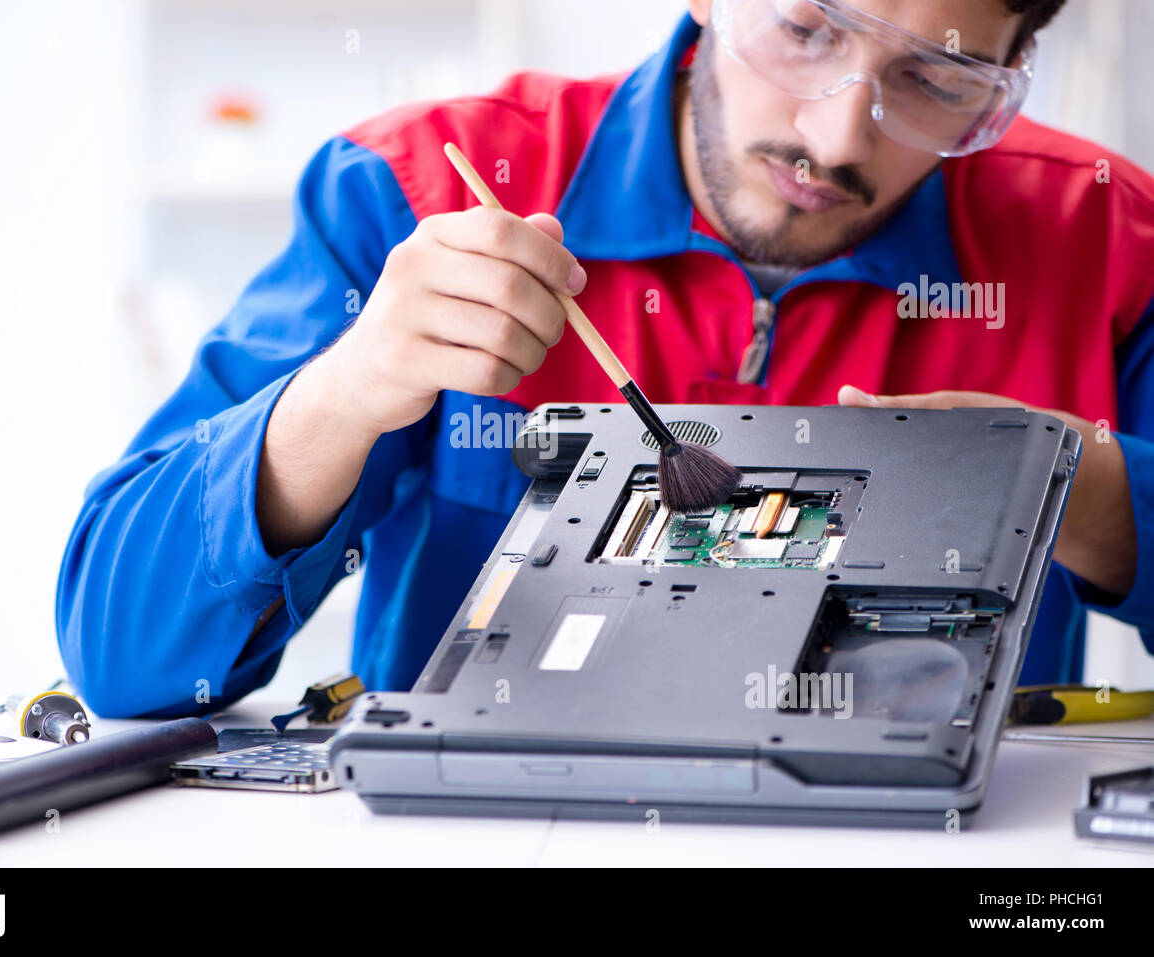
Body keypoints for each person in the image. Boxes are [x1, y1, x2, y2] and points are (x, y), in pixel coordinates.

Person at [58, 0, 1154, 718]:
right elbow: (125, 654)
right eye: (807, 29)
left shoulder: (1106, 241)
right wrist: (347, 389)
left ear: (1015, 68)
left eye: (936, 81)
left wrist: (1079, 488)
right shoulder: (402, 191)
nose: (836, 140)